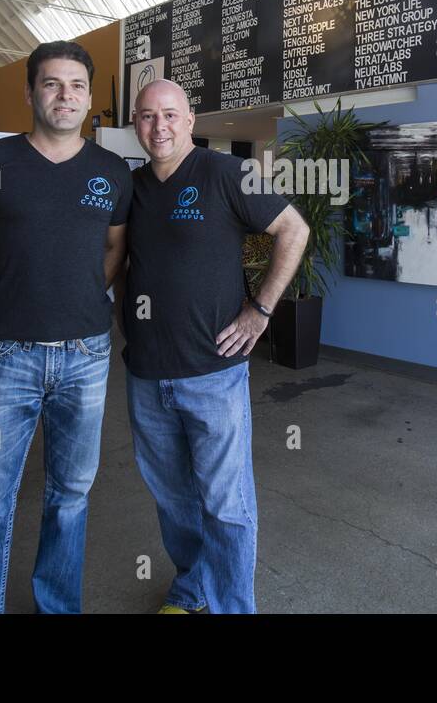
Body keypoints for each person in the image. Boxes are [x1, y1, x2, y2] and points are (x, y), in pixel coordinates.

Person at [0, 40, 131, 614]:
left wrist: (75, 299)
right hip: (7, 357)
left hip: (86, 355)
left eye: (76, 85)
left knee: (71, 496)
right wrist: (4, 310)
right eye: (51, 83)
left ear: (90, 97)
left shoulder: (111, 170)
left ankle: (57, 606)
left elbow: (114, 251)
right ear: (30, 92)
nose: (65, 95)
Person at [120, 79, 309, 614]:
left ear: (191, 119)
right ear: (137, 123)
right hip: (146, 373)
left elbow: (294, 231)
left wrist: (262, 308)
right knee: (174, 503)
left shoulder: (228, 173)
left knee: (226, 505)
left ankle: (231, 606)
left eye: (171, 115)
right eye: (148, 116)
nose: (160, 127)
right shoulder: (130, 187)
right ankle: (192, 588)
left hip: (213, 373)